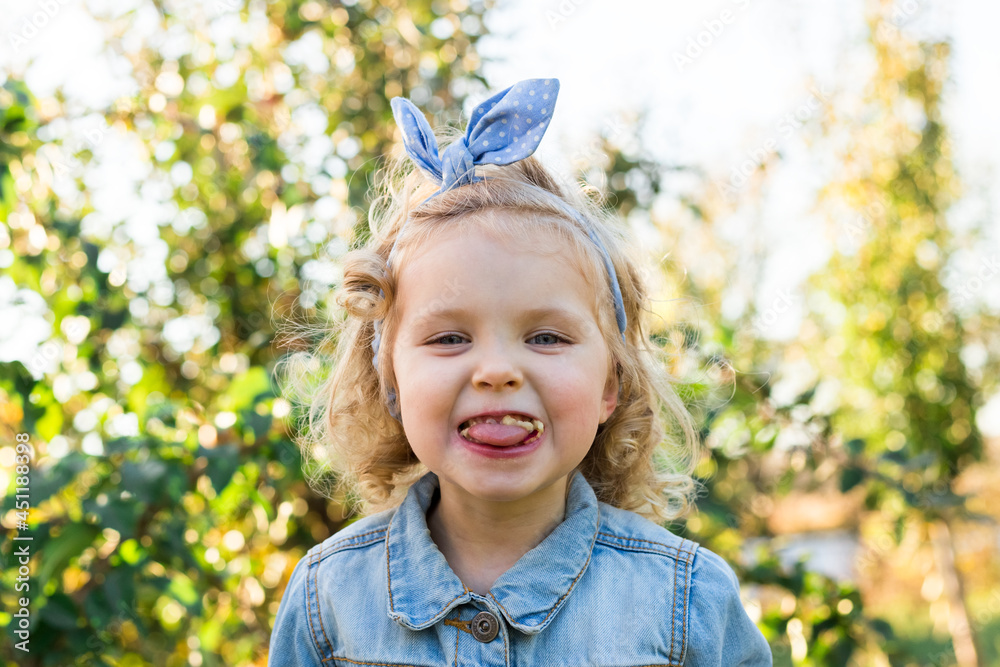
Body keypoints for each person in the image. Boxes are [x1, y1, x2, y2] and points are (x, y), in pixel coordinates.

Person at [269, 78, 772, 666]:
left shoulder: (688, 605)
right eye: (450, 337)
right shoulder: (327, 602)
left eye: (546, 337)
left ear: (610, 382)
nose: (498, 371)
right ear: (390, 379)